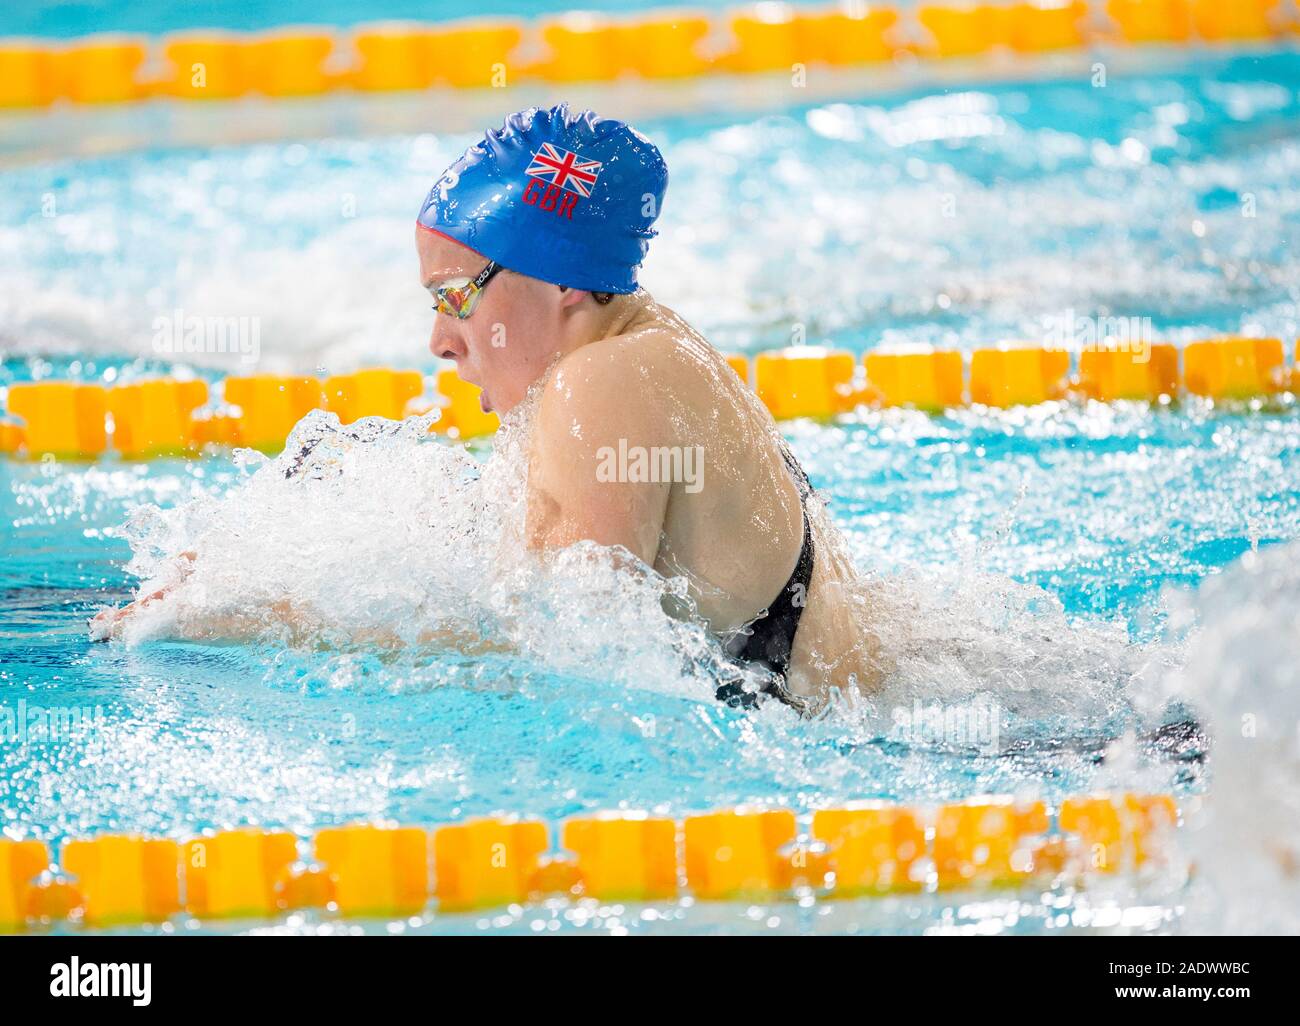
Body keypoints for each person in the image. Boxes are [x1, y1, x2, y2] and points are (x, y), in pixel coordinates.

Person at [93, 104, 883, 710]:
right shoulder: (649, 350)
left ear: (563, 281)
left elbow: (575, 649)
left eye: (456, 297)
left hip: (836, 757)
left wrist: (267, 615)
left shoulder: (600, 384)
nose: (441, 341)